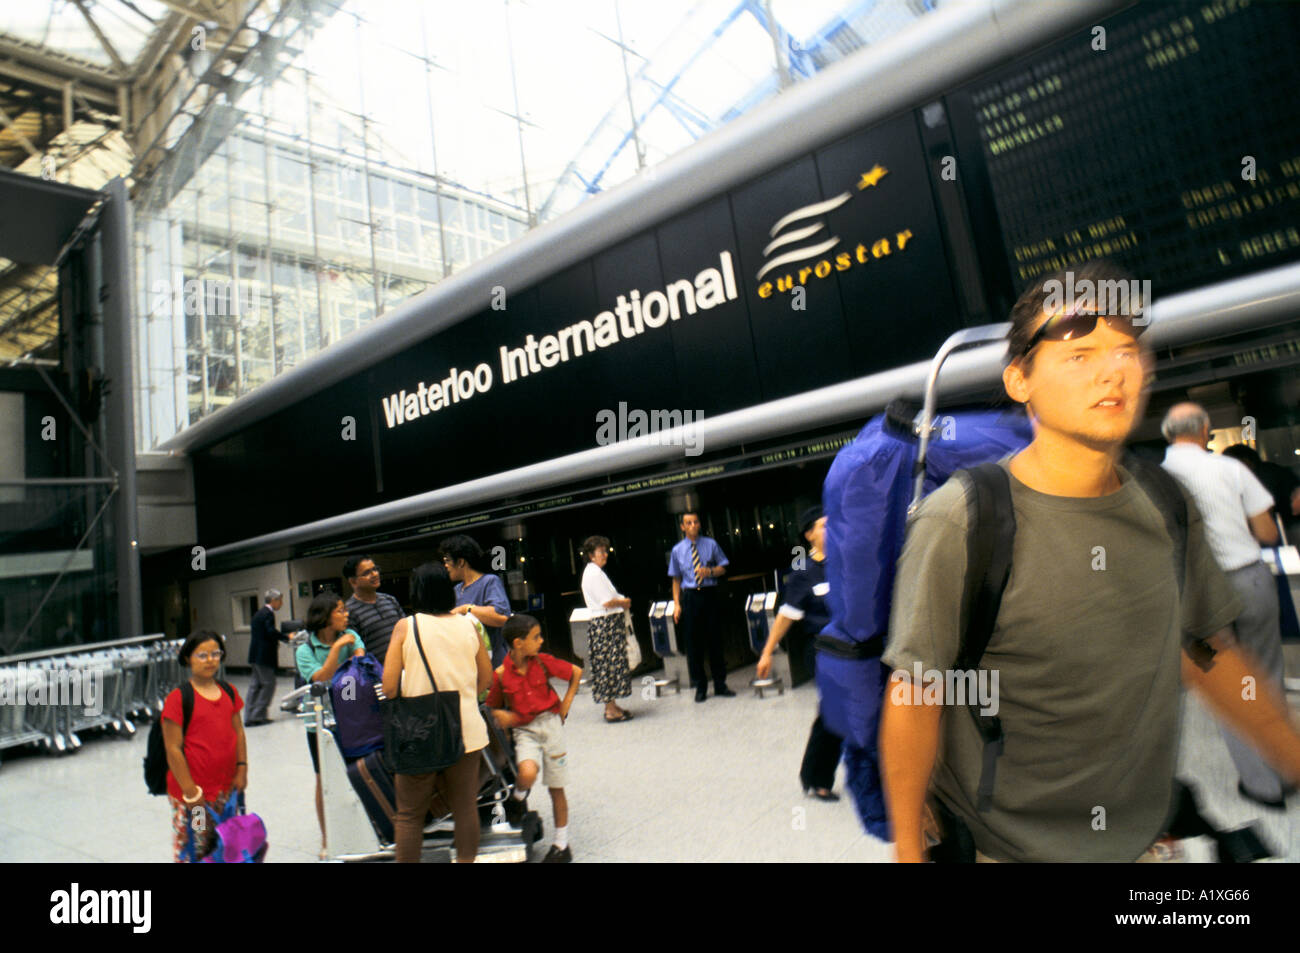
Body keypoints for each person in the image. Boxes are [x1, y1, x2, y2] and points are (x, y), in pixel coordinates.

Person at [880, 259, 1300, 863]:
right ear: (1020, 381)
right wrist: (906, 851)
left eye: (1126, 351)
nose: (1112, 373)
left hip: (1146, 842)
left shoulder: (1167, 504)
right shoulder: (965, 520)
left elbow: (1205, 653)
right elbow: (915, 692)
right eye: (1078, 357)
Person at [1161, 403, 1289, 809]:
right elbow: (1267, 533)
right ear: (1204, 431)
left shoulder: (1152, 480)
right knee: (1265, 677)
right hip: (1249, 581)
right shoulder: (1233, 470)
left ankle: (1262, 787)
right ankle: (1285, 771)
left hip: (1198, 595)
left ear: (1168, 435)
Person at [382, 563, 493, 863]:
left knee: (408, 816)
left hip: (419, 732)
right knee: (465, 806)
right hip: (466, 730)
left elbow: (390, 687)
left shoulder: (407, 626)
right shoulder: (468, 625)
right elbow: (486, 679)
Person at [757, 506, 844, 800]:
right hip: (821, 650)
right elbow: (786, 615)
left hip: (854, 649)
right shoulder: (803, 572)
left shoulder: (847, 562)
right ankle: (817, 777)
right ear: (809, 535)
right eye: (823, 526)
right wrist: (767, 652)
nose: (830, 531)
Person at [486, 614, 582, 863]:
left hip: (551, 727)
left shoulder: (543, 662)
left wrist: (566, 704)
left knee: (556, 786)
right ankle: (517, 799)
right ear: (518, 643)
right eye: (536, 637)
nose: (541, 641)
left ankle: (561, 845)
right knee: (527, 773)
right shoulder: (500, 675)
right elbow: (492, 708)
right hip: (524, 731)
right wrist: (503, 716)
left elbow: (575, 671)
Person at [161, 631, 246, 862]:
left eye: (215, 654)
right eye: (202, 655)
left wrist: (242, 768)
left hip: (225, 791)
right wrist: (190, 791)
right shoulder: (178, 698)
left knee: (225, 842)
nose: (210, 660)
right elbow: (173, 749)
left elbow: (238, 731)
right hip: (195, 798)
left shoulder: (229, 692)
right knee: (197, 845)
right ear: (189, 658)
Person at [296, 591, 366, 856]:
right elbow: (320, 678)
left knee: (357, 771)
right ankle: (327, 838)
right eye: (339, 610)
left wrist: (350, 650)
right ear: (325, 617)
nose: (345, 614)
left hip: (352, 717)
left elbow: (360, 664)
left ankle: (362, 828)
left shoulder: (351, 635)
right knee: (323, 778)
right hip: (319, 723)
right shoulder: (306, 650)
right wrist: (338, 649)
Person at [668, 511, 732, 702]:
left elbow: (723, 567)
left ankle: (720, 684)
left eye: (696, 521)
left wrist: (710, 571)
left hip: (709, 594)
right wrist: (677, 604)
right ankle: (700, 686)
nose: (693, 525)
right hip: (690, 597)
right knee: (693, 644)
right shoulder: (677, 550)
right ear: (682, 527)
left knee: (715, 640)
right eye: (688, 523)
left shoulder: (710, 544)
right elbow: (676, 579)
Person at [580, 535, 634, 722]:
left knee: (609, 665)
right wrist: (624, 602)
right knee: (608, 666)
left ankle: (612, 705)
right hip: (605, 626)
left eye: (605, 551)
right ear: (591, 555)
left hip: (607, 625)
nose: (605, 555)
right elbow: (607, 601)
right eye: (601, 552)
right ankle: (610, 710)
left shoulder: (595, 572)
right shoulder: (593, 573)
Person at [439, 535, 512, 665]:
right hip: (470, 664)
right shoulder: (456, 589)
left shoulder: (489, 581)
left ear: (461, 562)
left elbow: (501, 618)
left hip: (495, 664)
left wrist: (465, 608)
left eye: (447, 560)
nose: (445, 565)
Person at [343, 555, 403, 663]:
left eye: (375, 569)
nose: (375, 574)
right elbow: (354, 650)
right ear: (353, 581)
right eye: (367, 573)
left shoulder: (390, 600)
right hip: (378, 674)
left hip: (406, 667)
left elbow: (406, 632)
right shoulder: (348, 612)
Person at [245, 588, 286, 726]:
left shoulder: (258, 613)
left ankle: (249, 716)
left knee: (255, 685)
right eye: (280, 600)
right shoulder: (268, 614)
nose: (281, 603)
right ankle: (258, 716)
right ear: (274, 600)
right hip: (264, 656)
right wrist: (285, 637)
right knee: (269, 684)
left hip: (255, 655)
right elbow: (270, 631)